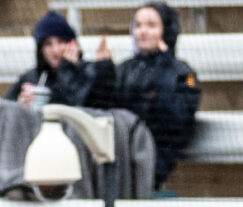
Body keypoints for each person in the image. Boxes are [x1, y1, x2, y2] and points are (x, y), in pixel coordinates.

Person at [84, 4, 201, 189]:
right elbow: (101, 110)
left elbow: (178, 120)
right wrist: (103, 73)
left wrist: (163, 67)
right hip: (120, 154)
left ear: (166, 30)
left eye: (151, 25)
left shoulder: (182, 72)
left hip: (154, 158)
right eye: (137, 25)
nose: (142, 31)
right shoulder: (125, 69)